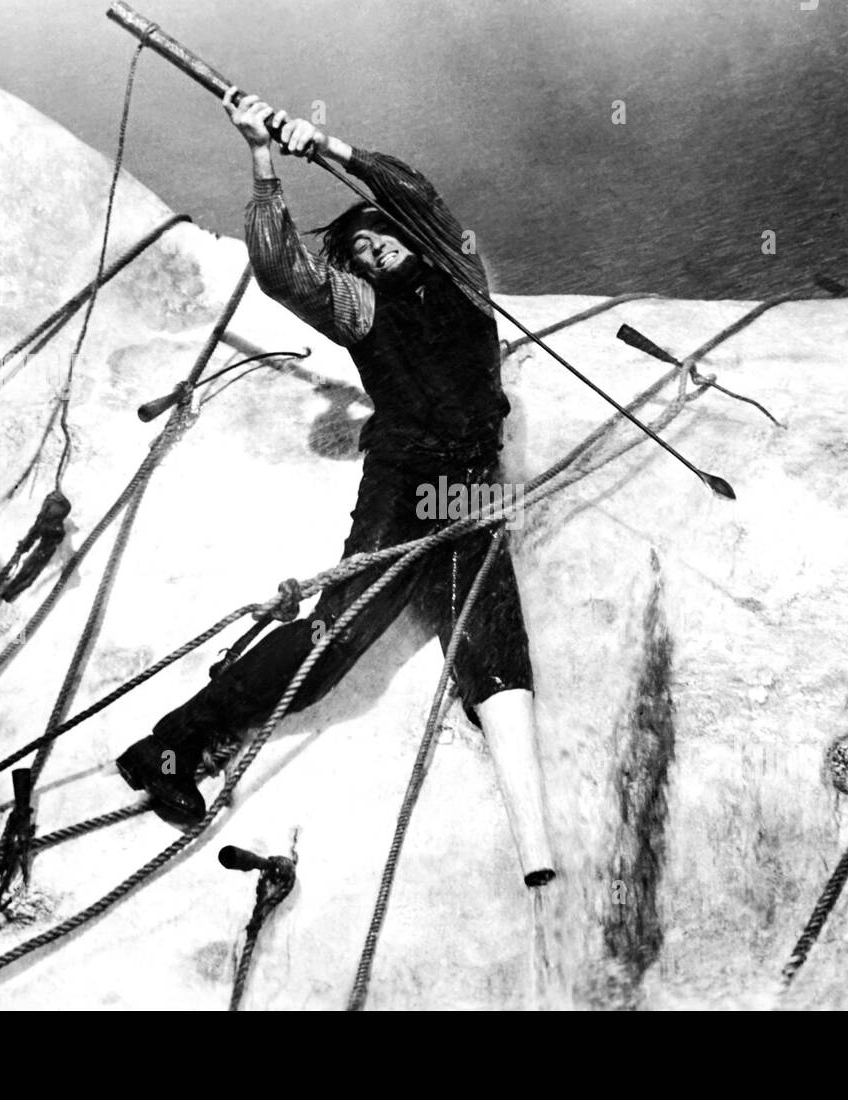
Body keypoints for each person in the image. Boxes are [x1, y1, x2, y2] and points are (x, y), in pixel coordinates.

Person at [115, 94, 555, 886]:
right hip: (403, 485)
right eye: (355, 248)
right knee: (335, 644)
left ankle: (531, 834)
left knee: (495, 633)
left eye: (379, 234)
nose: (371, 249)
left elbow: (414, 193)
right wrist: (263, 159)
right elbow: (282, 269)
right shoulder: (361, 308)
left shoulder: (460, 271)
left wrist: (329, 146)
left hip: (471, 485)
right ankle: (165, 751)